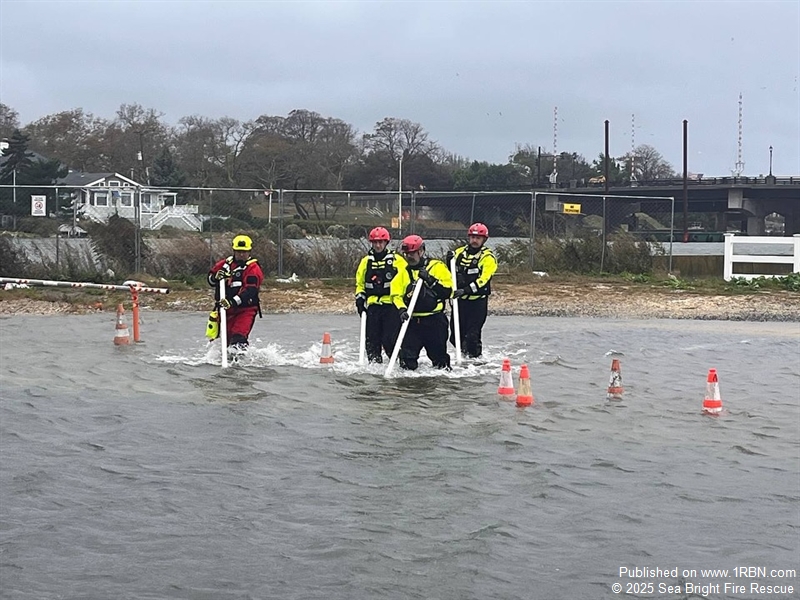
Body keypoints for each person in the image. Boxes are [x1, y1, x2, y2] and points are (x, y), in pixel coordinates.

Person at [392, 234, 453, 371]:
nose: (409, 257)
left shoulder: (437, 267)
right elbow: (396, 294)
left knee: (440, 362)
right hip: (413, 322)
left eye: (412, 253)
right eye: (407, 254)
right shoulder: (404, 273)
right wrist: (401, 309)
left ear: (421, 251)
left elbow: (448, 291)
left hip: (434, 321)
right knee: (407, 362)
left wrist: (430, 280)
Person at [354, 227, 407, 363]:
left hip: (391, 306)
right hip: (373, 306)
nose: (378, 245)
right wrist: (360, 299)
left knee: (389, 340)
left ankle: (398, 365)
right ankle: (374, 369)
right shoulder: (366, 262)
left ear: (386, 242)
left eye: (381, 242)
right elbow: (360, 284)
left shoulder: (397, 261)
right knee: (371, 341)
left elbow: (406, 280)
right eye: (375, 242)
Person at [447, 222, 498, 359]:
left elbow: (483, 280)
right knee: (454, 336)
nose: (475, 241)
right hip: (460, 302)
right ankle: (463, 356)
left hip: (477, 303)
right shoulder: (459, 253)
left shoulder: (487, 258)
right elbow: (449, 272)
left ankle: (475, 362)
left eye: (478, 238)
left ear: (484, 240)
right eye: (473, 238)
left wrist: (466, 290)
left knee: (472, 336)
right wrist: (448, 262)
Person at [207, 234, 264, 348]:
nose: (241, 254)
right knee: (226, 342)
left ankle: (241, 362)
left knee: (238, 338)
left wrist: (232, 302)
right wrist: (215, 277)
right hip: (226, 310)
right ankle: (229, 362)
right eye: (238, 252)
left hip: (245, 310)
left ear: (249, 252)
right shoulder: (224, 264)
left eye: (244, 252)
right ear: (234, 251)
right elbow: (210, 279)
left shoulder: (253, 269)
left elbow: (250, 291)